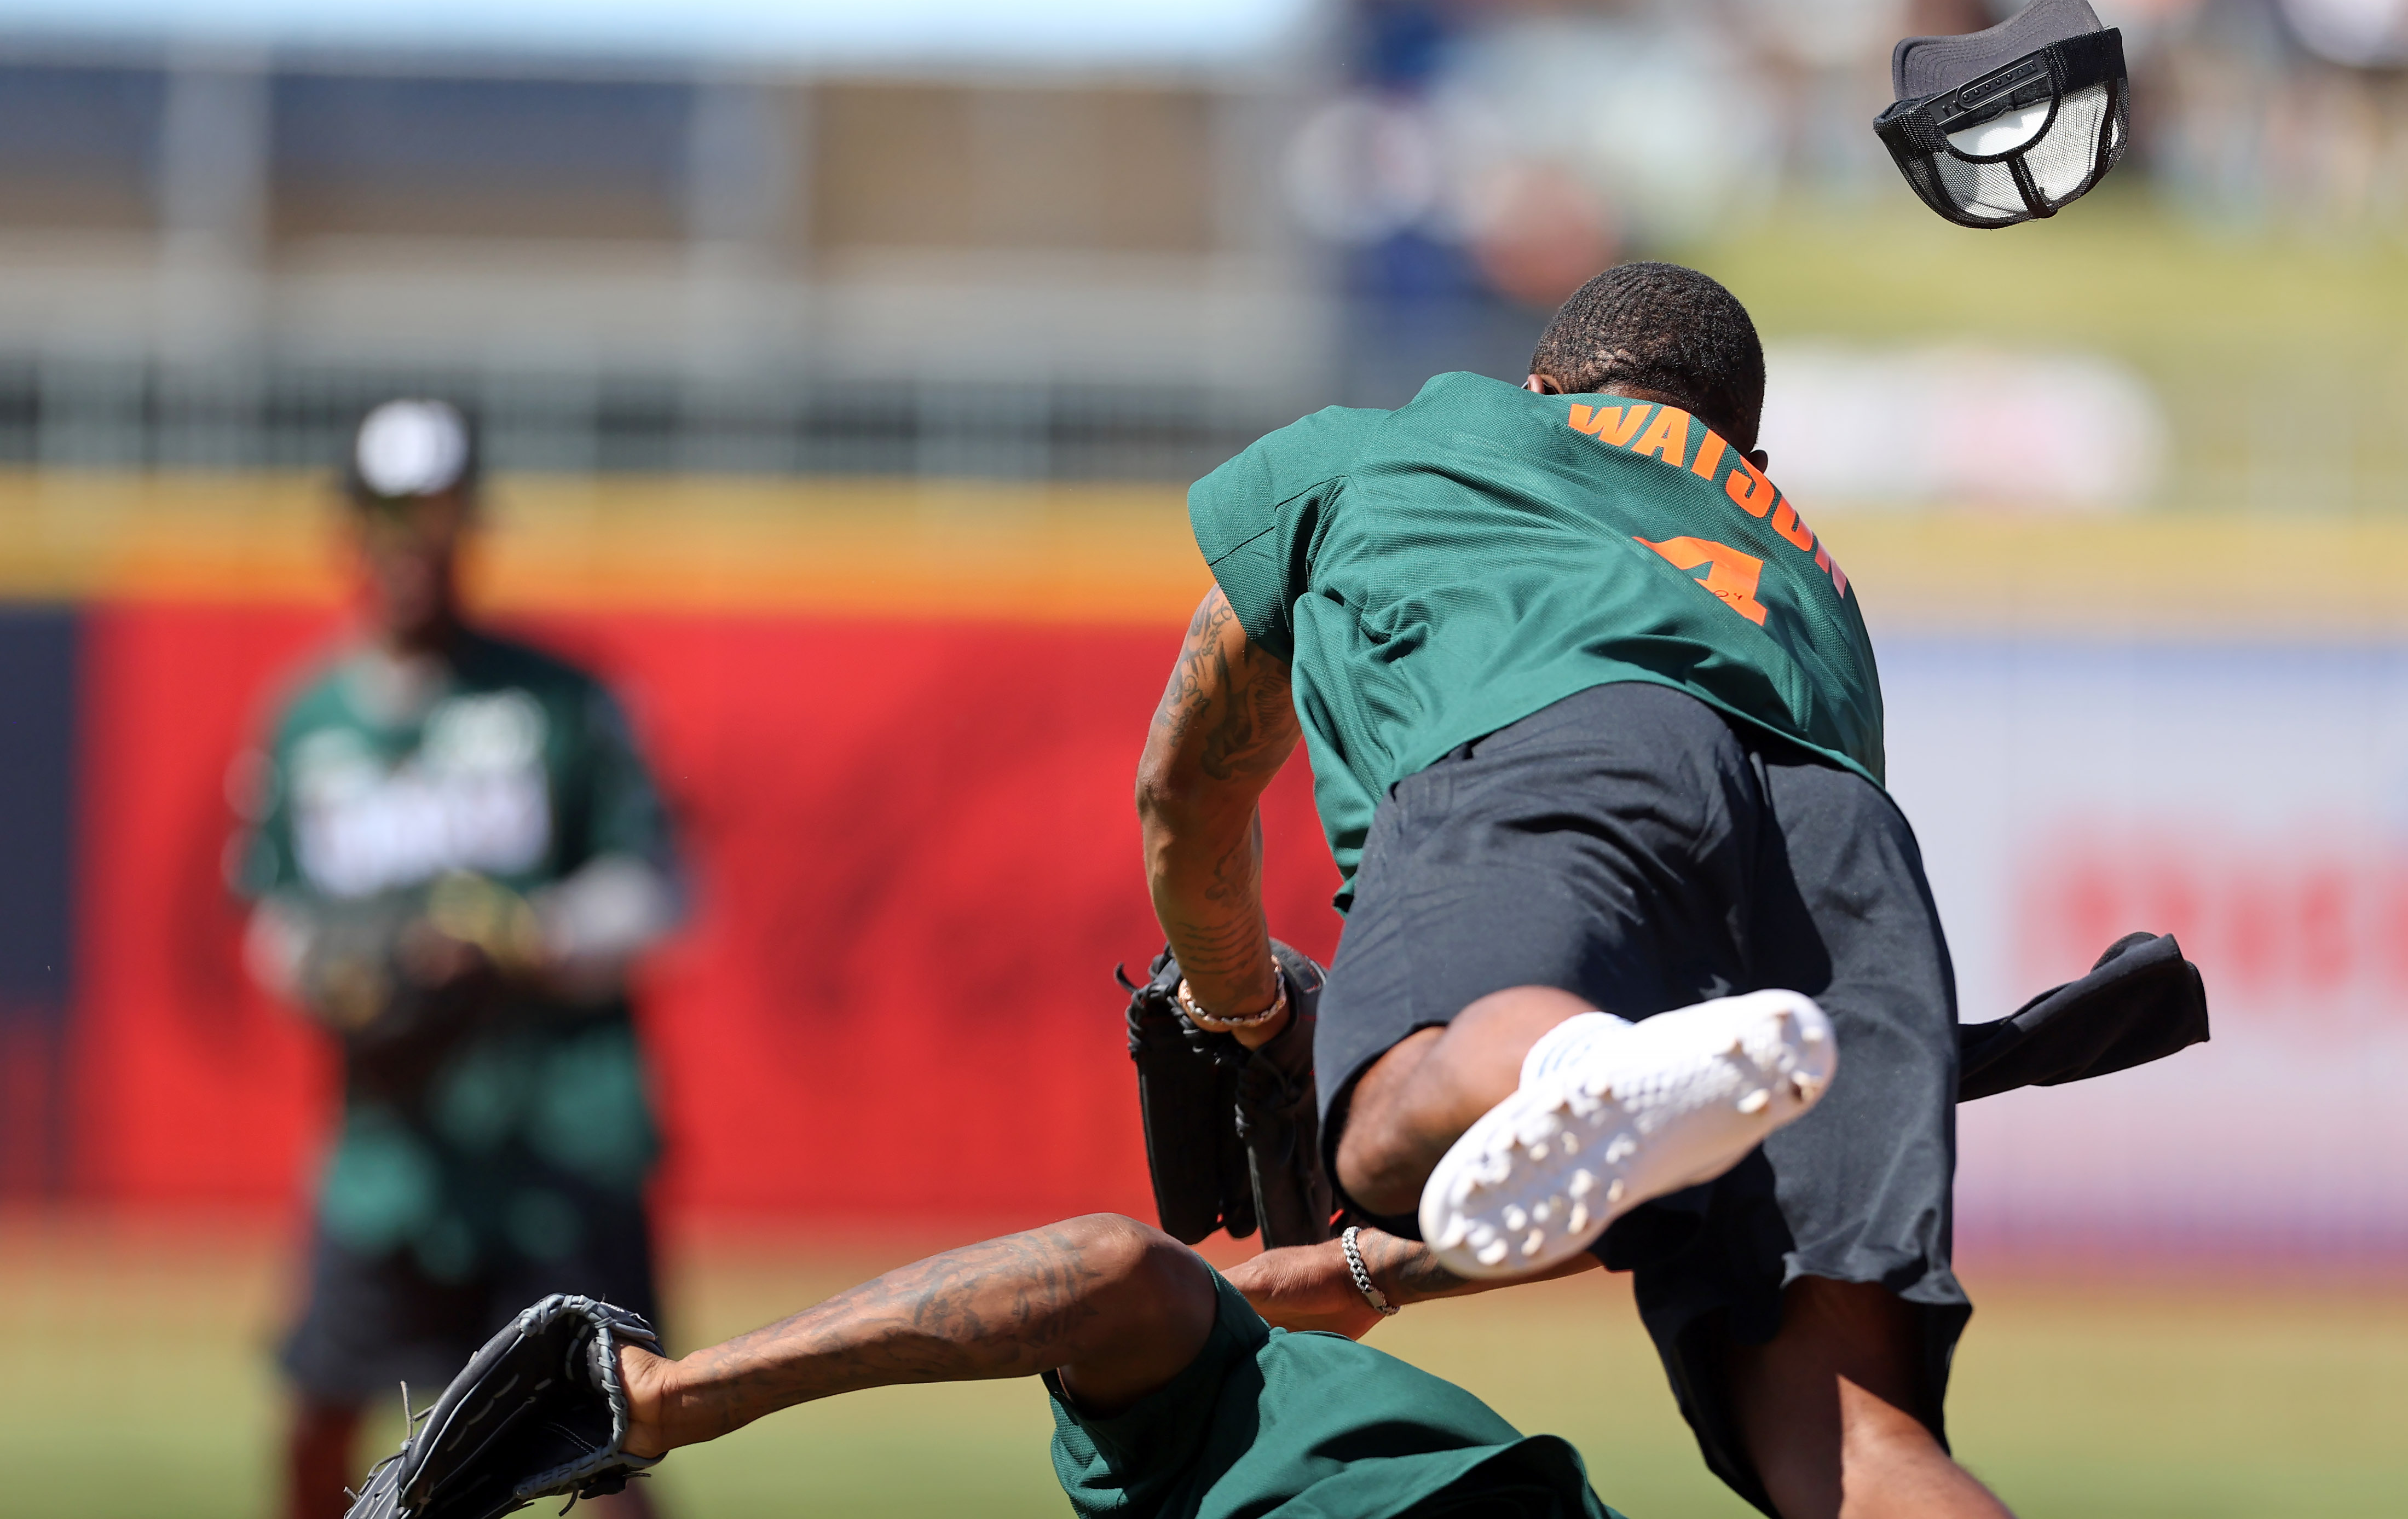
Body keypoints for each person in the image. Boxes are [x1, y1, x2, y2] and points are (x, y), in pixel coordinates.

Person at [1136, 262, 2008, 1517]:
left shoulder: (1408, 442)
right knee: (1855, 1442)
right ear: (1743, 452)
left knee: (1383, 1133)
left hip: (1559, 736)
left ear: (1541, 388)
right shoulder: (1807, 574)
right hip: (1845, 846)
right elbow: (1645, 1136)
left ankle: (1561, 1053)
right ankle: (1577, 1057)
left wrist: (1246, 1009)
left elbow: (1182, 791)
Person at [613, 990, 1822, 1519]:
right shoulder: (1239, 1382)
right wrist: (1373, 1273)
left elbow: (1104, 1270)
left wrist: (675, 1399)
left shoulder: (1213, 1395)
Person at [234, 398, 684, 1519]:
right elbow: (271, 918)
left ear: (468, 525)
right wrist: (347, 975)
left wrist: (522, 937)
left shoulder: (561, 703)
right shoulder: (306, 722)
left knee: (603, 1450)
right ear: (349, 527)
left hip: (559, 1129)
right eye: (388, 515)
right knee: (320, 1417)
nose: (410, 544)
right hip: (396, 1148)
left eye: (436, 515)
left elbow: (661, 889)